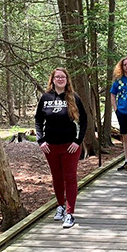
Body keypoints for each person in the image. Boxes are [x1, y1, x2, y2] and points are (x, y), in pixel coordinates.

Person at [35, 67, 88, 228]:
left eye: (62, 77)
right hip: (51, 146)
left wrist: (77, 142)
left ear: (67, 80)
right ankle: (60, 206)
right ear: (52, 80)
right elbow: (38, 120)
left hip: (69, 146)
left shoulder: (73, 97)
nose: (60, 79)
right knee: (57, 177)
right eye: (57, 77)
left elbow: (84, 121)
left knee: (70, 178)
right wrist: (41, 141)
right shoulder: (45, 98)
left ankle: (70, 213)